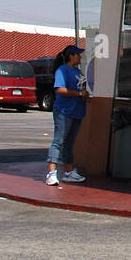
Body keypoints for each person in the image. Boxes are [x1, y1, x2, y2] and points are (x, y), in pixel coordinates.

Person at [46, 45, 89, 185]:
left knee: (70, 143)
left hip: (77, 111)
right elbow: (60, 89)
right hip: (64, 111)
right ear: (71, 56)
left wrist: (84, 94)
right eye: (77, 54)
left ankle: (69, 171)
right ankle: (51, 173)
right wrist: (78, 94)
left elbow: (82, 88)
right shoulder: (62, 70)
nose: (80, 57)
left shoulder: (78, 72)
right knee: (59, 141)